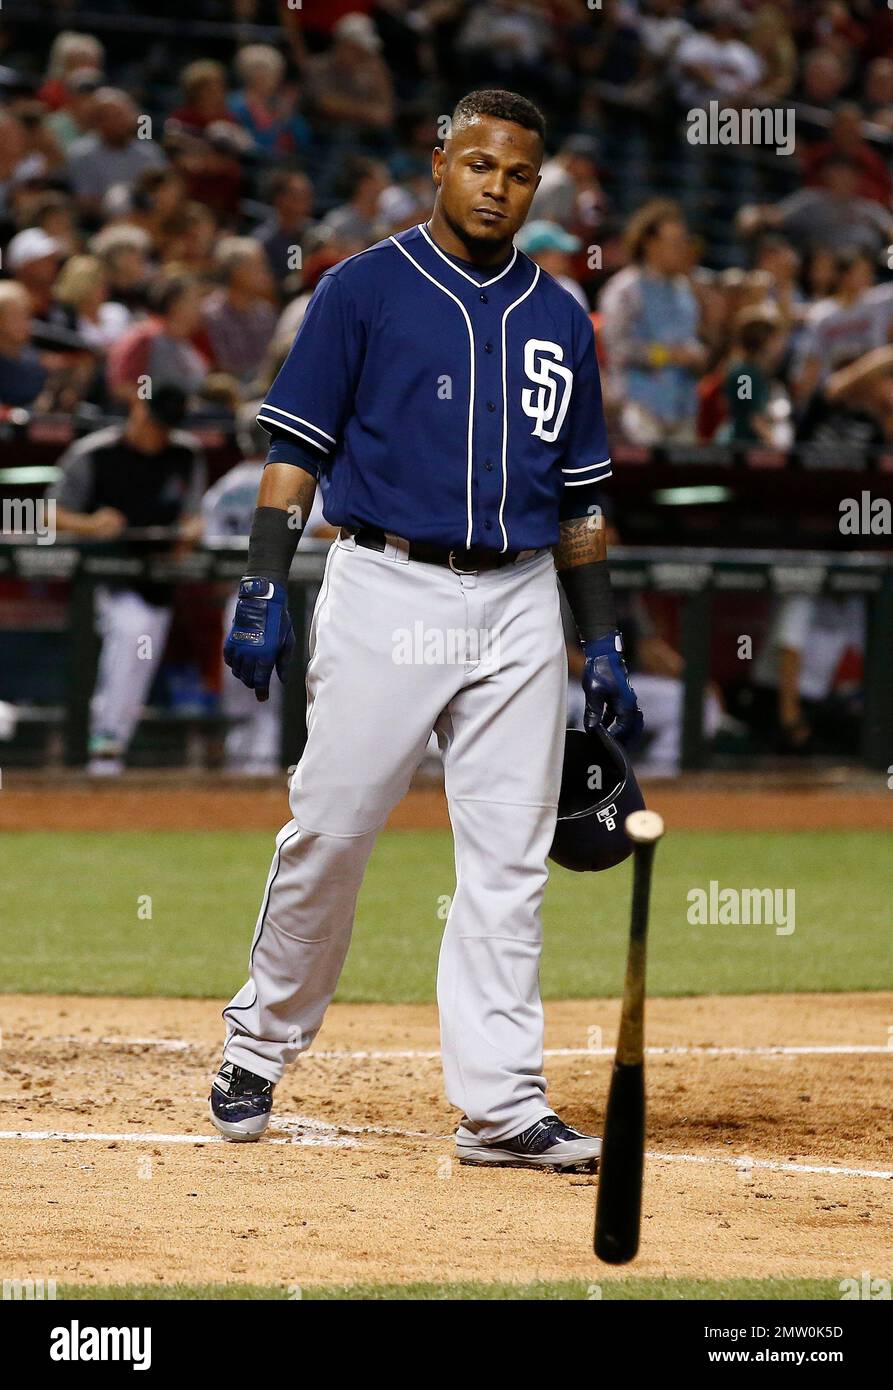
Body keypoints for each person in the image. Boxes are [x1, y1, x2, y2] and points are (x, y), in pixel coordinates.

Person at [209, 89, 643, 1171]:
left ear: (535, 187)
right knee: (332, 827)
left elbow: (582, 503)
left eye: (518, 174)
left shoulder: (560, 318)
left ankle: (500, 1104)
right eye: (479, 164)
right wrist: (263, 584)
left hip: (518, 598)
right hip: (386, 584)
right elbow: (291, 455)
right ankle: (257, 1043)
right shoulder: (359, 289)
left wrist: (597, 637)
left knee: (507, 860)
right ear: (438, 160)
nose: (496, 186)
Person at [48, 386, 205, 775]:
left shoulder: (185, 453)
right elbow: (47, 513)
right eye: (155, 423)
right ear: (137, 407)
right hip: (100, 578)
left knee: (138, 656)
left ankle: (108, 746)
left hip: (156, 576)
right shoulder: (95, 453)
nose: (160, 434)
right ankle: (104, 746)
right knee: (135, 635)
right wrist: (89, 524)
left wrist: (190, 531)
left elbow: (193, 515)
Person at [599, 199, 705, 443]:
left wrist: (697, 355)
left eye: (683, 242)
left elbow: (692, 340)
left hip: (683, 410)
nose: (682, 250)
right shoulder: (624, 290)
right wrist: (666, 355)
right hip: (639, 410)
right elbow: (619, 351)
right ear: (650, 243)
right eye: (674, 243)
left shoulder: (684, 290)